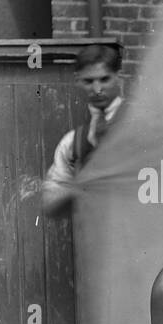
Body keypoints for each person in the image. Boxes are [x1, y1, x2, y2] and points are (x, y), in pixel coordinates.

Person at [40, 44, 126, 214]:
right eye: (89, 81)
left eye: (104, 79)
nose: (97, 89)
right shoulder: (73, 141)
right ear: (77, 80)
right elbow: (50, 201)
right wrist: (81, 187)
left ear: (118, 77)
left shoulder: (142, 123)